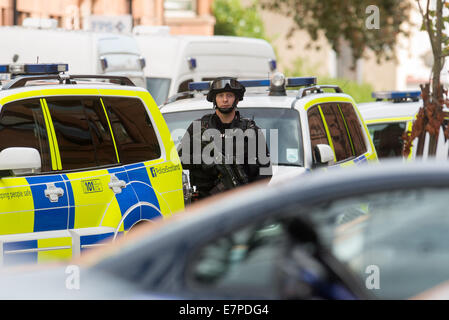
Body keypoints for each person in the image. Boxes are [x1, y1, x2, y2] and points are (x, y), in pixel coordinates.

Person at [179, 77, 272, 201]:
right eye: (220, 95)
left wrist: (252, 195)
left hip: (241, 200)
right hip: (205, 202)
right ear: (214, 99)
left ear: (237, 100)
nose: (225, 99)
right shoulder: (198, 127)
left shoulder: (250, 130)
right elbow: (179, 159)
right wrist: (205, 161)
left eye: (229, 95)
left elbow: (266, 171)